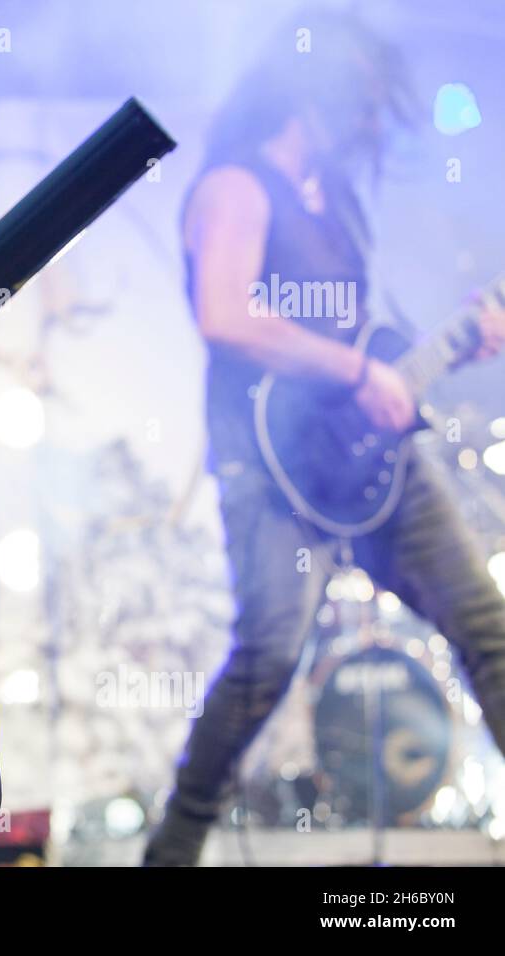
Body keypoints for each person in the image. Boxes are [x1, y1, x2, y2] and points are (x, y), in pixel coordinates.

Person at [144, 8, 505, 865]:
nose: (372, 122)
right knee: (268, 650)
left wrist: (455, 338)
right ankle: (173, 850)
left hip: (372, 469)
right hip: (270, 472)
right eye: (365, 103)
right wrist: (353, 377)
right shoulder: (235, 187)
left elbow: (361, 337)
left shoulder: (335, 197)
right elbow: (225, 315)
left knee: (487, 628)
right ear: (317, 94)